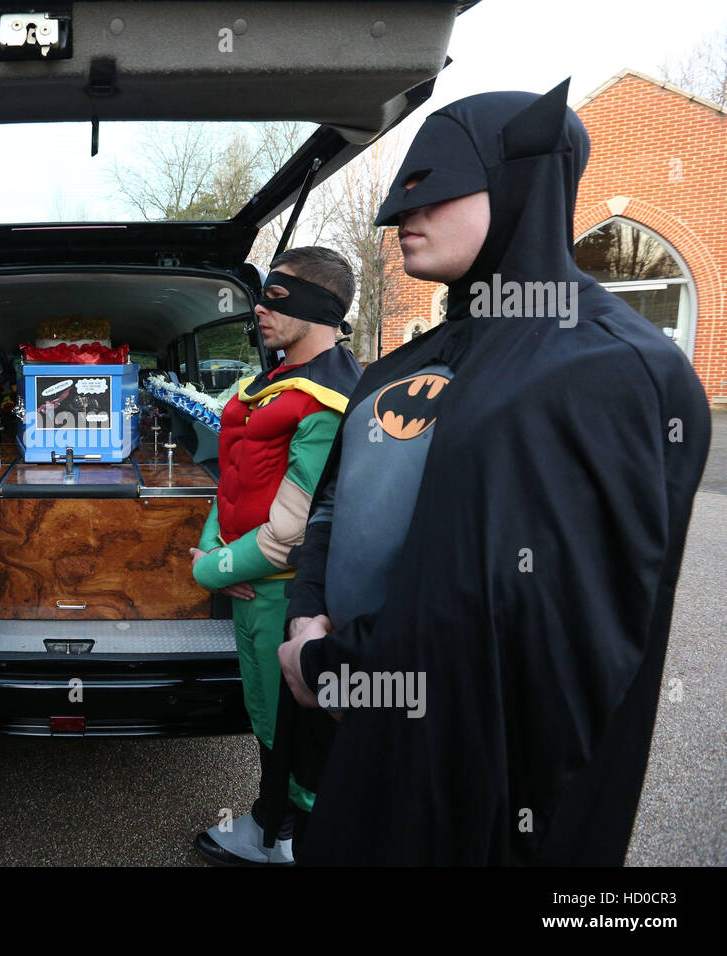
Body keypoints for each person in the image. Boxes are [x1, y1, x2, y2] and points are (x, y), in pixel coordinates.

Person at [278, 81, 710, 865]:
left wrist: (336, 671)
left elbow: (533, 621)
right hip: (357, 740)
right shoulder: (399, 366)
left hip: (473, 783)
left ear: (522, 176)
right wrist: (306, 617)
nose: (403, 216)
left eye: (433, 191)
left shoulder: (606, 367)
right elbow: (334, 504)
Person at [189, 247, 362, 865]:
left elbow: (293, 528)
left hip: (285, 589)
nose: (259, 308)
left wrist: (209, 568)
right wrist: (215, 547)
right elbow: (233, 477)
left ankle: (297, 836)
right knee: (267, 713)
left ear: (320, 309)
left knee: (296, 717)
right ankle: (272, 820)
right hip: (250, 581)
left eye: (277, 297)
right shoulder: (269, 382)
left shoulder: (331, 397)